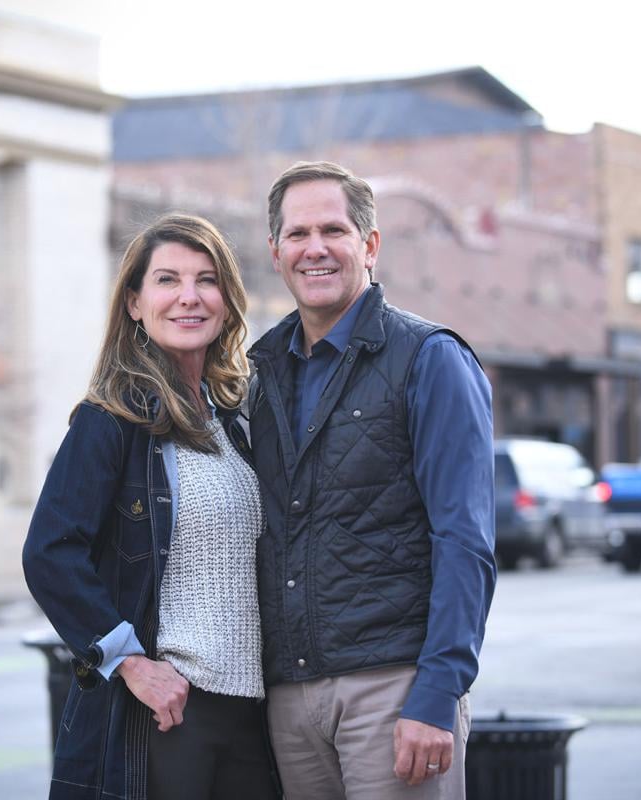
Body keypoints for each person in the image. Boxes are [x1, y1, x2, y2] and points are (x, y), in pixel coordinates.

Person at [246, 161, 496, 799]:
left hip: (393, 693)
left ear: (370, 244)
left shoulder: (431, 359)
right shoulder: (260, 371)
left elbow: (464, 540)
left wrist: (438, 693)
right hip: (290, 700)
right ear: (276, 252)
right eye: (297, 234)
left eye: (334, 229)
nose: (316, 248)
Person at [22, 213, 279, 800]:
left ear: (227, 300)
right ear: (135, 303)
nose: (189, 297)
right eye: (167, 280)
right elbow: (49, 553)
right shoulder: (111, 419)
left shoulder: (236, 420)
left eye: (206, 280)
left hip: (252, 715)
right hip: (165, 718)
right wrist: (133, 665)